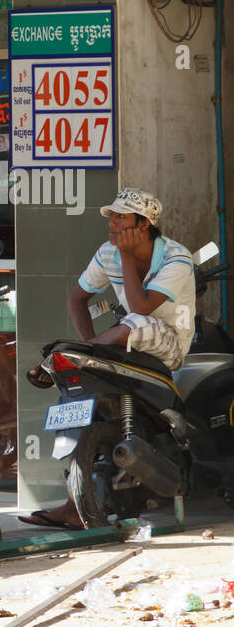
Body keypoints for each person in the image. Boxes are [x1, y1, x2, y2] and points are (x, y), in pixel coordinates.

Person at [20, 188, 196, 528]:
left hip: (168, 344)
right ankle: (75, 503)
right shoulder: (107, 253)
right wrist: (92, 349)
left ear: (143, 224)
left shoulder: (177, 258)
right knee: (77, 391)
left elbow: (142, 307)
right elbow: (77, 299)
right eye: (111, 217)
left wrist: (127, 257)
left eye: (121, 218)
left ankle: (82, 355)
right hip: (124, 341)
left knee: (132, 321)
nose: (112, 224)